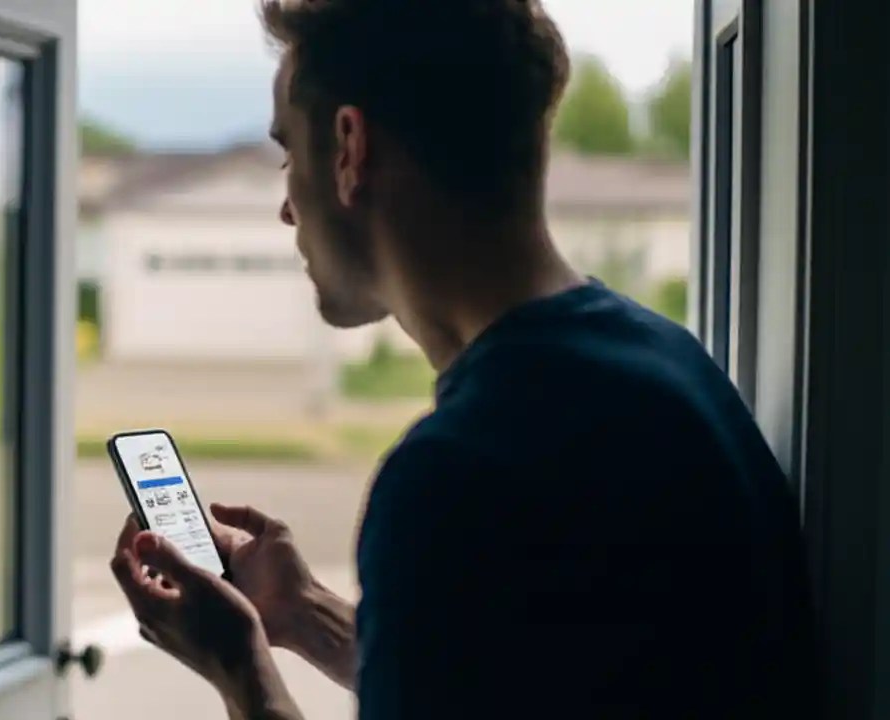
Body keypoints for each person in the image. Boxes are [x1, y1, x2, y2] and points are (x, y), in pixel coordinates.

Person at [109, 0, 819, 717]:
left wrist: (239, 668)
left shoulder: (458, 478)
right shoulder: (662, 366)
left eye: (289, 151)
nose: (287, 207)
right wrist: (305, 614)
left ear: (350, 149)